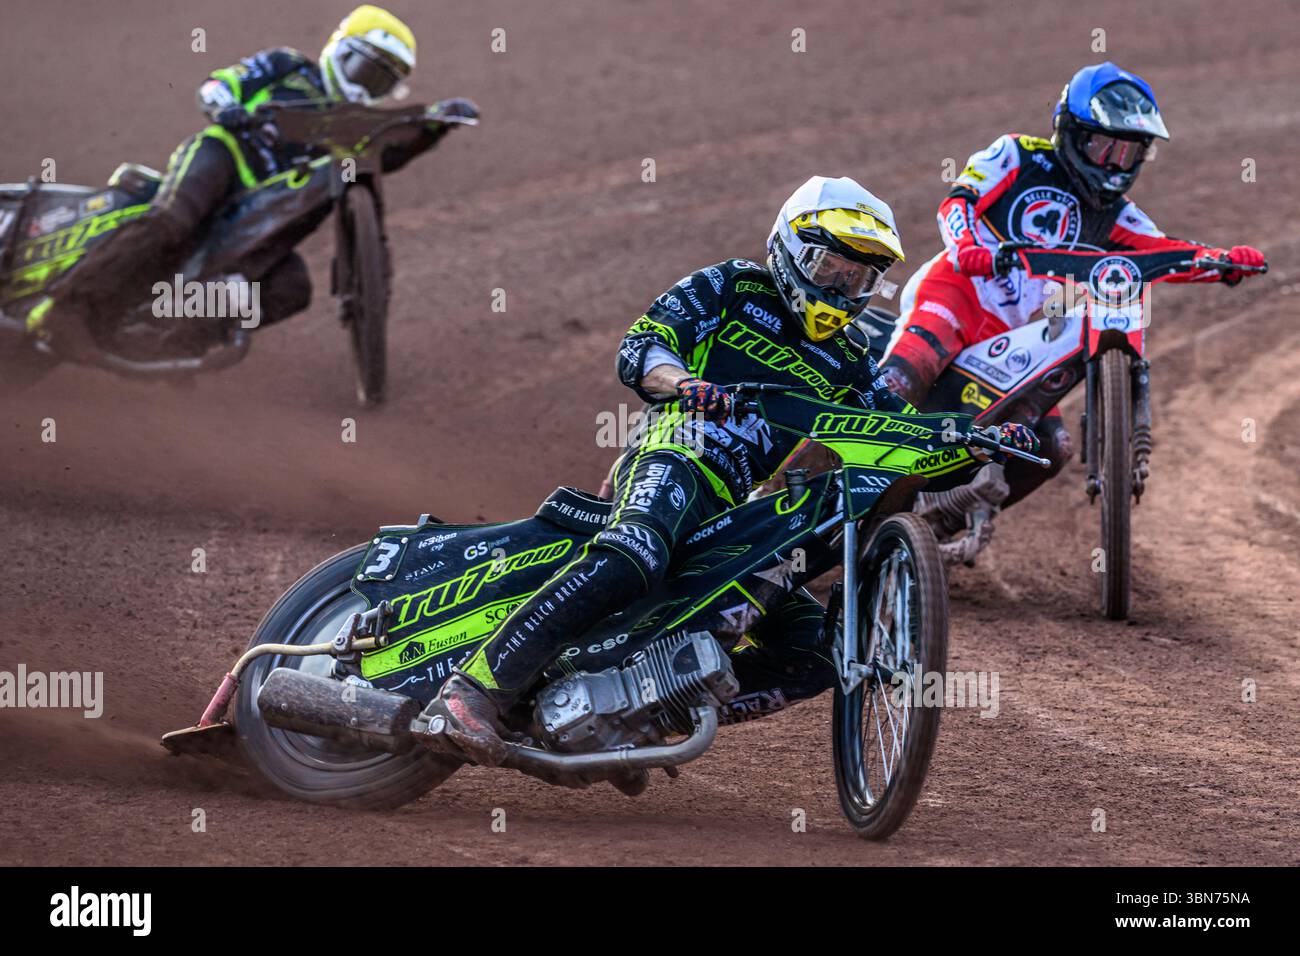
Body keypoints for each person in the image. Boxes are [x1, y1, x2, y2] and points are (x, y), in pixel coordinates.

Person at [422, 175, 1038, 771]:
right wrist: (687, 385)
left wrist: (978, 441)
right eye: (832, 269)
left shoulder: (850, 359)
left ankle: (645, 716)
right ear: (792, 250)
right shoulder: (731, 287)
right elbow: (642, 347)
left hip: (736, 516)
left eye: (860, 278)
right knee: (635, 553)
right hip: (676, 455)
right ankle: (474, 689)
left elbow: (894, 436)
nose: (843, 288)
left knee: (814, 653)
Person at [880, 61, 1266, 512]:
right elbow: (957, 201)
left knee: (1051, 450)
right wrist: (969, 247)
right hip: (957, 292)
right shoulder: (1016, 155)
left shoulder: (1118, 214)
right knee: (898, 384)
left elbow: (1165, 252)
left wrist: (1221, 262)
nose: (1116, 166)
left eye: (1130, 153)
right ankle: (804, 491)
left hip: (1013, 333)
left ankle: (940, 527)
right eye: (1106, 148)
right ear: (1073, 133)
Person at [29, 5, 478, 349]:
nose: (366, 89)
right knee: (174, 222)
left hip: (259, 213)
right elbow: (218, 84)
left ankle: (169, 341)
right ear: (340, 52)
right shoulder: (287, 66)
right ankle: (63, 307)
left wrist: (434, 128)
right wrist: (227, 109)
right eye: (366, 70)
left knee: (292, 286)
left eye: (381, 85)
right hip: (224, 156)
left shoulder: (355, 124)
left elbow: (386, 156)